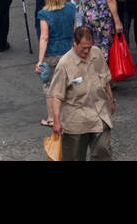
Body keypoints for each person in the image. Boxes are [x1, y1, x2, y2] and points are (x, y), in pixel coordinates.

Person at [49, 25, 116, 161]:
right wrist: (56, 121)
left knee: (103, 151)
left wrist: (111, 99)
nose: (87, 51)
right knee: (74, 158)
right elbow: (57, 95)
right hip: (76, 121)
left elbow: (106, 79)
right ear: (75, 43)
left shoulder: (97, 54)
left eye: (89, 47)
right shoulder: (64, 64)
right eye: (83, 48)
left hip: (99, 114)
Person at [34, 0, 76, 128]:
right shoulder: (71, 8)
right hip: (69, 51)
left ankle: (52, 118)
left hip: (52, 53)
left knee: (49, 85)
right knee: (71, 83)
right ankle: (70, 114)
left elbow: (44, 37)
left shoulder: (44, 14)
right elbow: (75, 30)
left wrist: (40, 60)